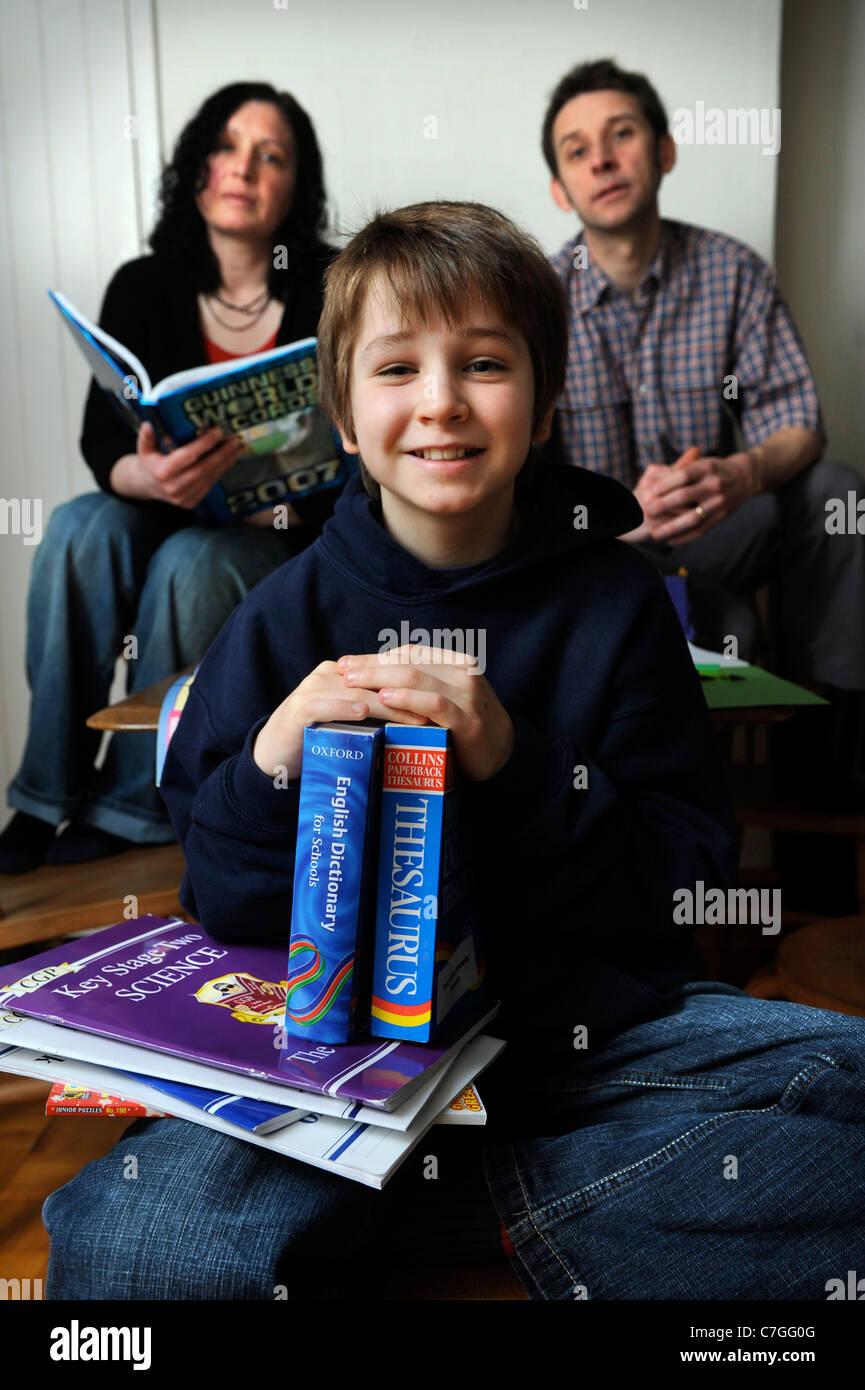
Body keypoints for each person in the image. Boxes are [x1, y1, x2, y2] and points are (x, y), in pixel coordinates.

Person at [42, 203, 865, 1301]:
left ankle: (475, 1200)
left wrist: (518, 763)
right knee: (149, 1242)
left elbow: (683, 889)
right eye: (396, 370)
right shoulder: (281, 618)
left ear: (542, 400)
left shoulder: (618, 606)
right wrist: (275, 762)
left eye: (483, 363)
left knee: (846, 1086)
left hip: (579, 1051)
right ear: (341, 412)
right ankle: (499, 1198)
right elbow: (227, 902)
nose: (440, 402)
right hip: (332, 1076)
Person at [0, 82, 335, 873]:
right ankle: (42, 796)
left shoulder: (331, 287)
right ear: (195, 167)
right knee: (80, 526)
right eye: (224, 147)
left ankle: (130, 804)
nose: (242, 169)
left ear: (296, 186)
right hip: (157, 506)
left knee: (194, 560)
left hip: (276, 536)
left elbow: (352, 453)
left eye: (270, 155)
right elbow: (98, 442)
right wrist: (149, 477)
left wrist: (268, 504)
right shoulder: (144, 283)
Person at [540, 59, 865, 702]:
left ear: (665, 151)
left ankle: (826, 738)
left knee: (835, 495)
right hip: (594, 545)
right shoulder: (537, 299)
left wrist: (740, 474)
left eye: (622, 134)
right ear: (560, 189)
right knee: (731, 627)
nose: (602, 160)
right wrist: (618, 520)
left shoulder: (733, 270)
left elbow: (799, 423)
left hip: (717, 528)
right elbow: (514, 481)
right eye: (578, 151)